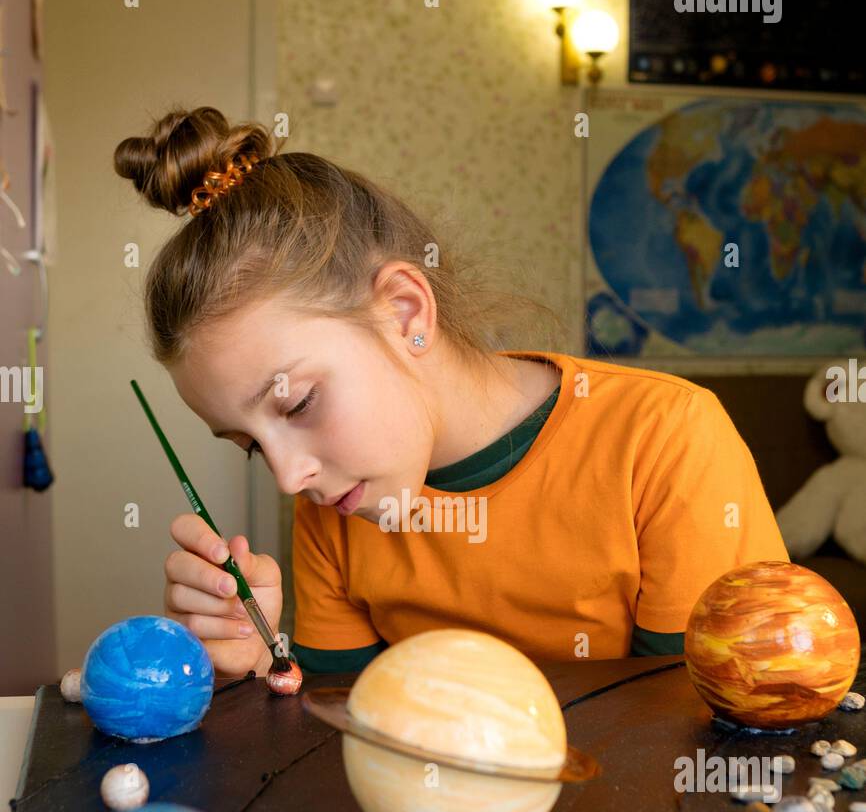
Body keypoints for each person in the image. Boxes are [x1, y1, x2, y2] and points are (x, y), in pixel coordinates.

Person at [114, 106, 789, 680]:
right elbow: (339, 755)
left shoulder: (666, 435)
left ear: (406, 312)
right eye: (252, 448)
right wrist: (261, 668)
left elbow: (700, 727)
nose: (291, 478)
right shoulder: (340, 507)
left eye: (296, 405)